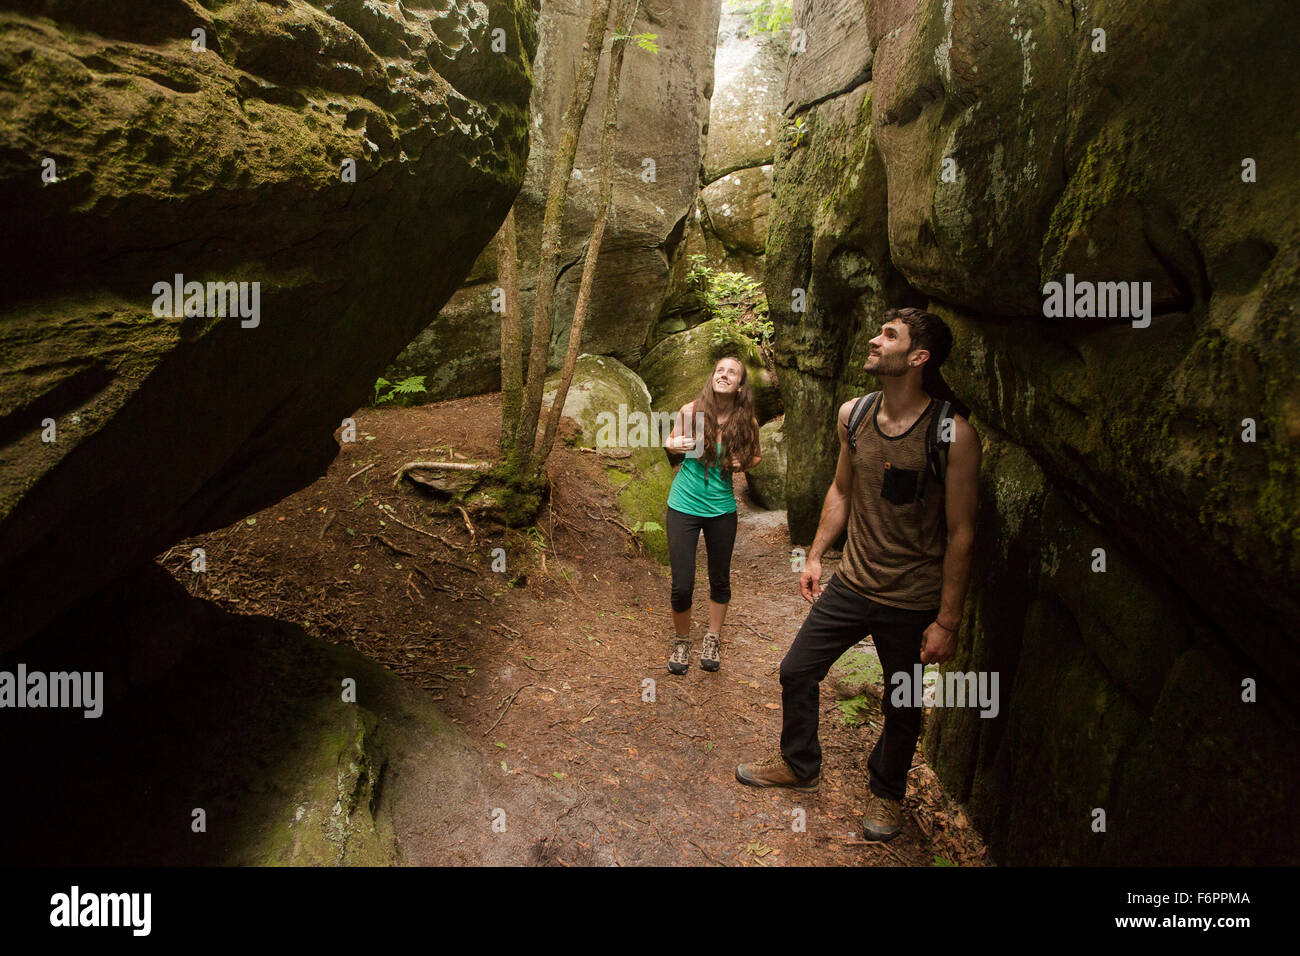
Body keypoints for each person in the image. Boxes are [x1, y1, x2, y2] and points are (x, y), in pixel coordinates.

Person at [735, 307, 981, 842]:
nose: (874, 339)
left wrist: (948, 620)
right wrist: (818, 553)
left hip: (912, 598)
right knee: (797, 670)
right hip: (852, 583)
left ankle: (887, 794)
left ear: (918, 357)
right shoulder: (855, 414)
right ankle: (800, 766)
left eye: (888, 336)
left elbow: (962, 532)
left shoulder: (952, 436)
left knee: (902, 703)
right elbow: (843, 489)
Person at [662, 356, 762, 675]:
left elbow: (755, 456)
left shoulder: (747, 422)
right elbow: (670, 443)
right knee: (682, 584)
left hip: (721, 509)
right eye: (720, 370)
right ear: (713, 377)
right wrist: (679, 443)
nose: (724, 375)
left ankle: (713, 637)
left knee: (719, 579)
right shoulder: (690, 411)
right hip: (683, 505)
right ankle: (681, 641)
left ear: (740, 385)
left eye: (732, 372)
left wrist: (740, 464)